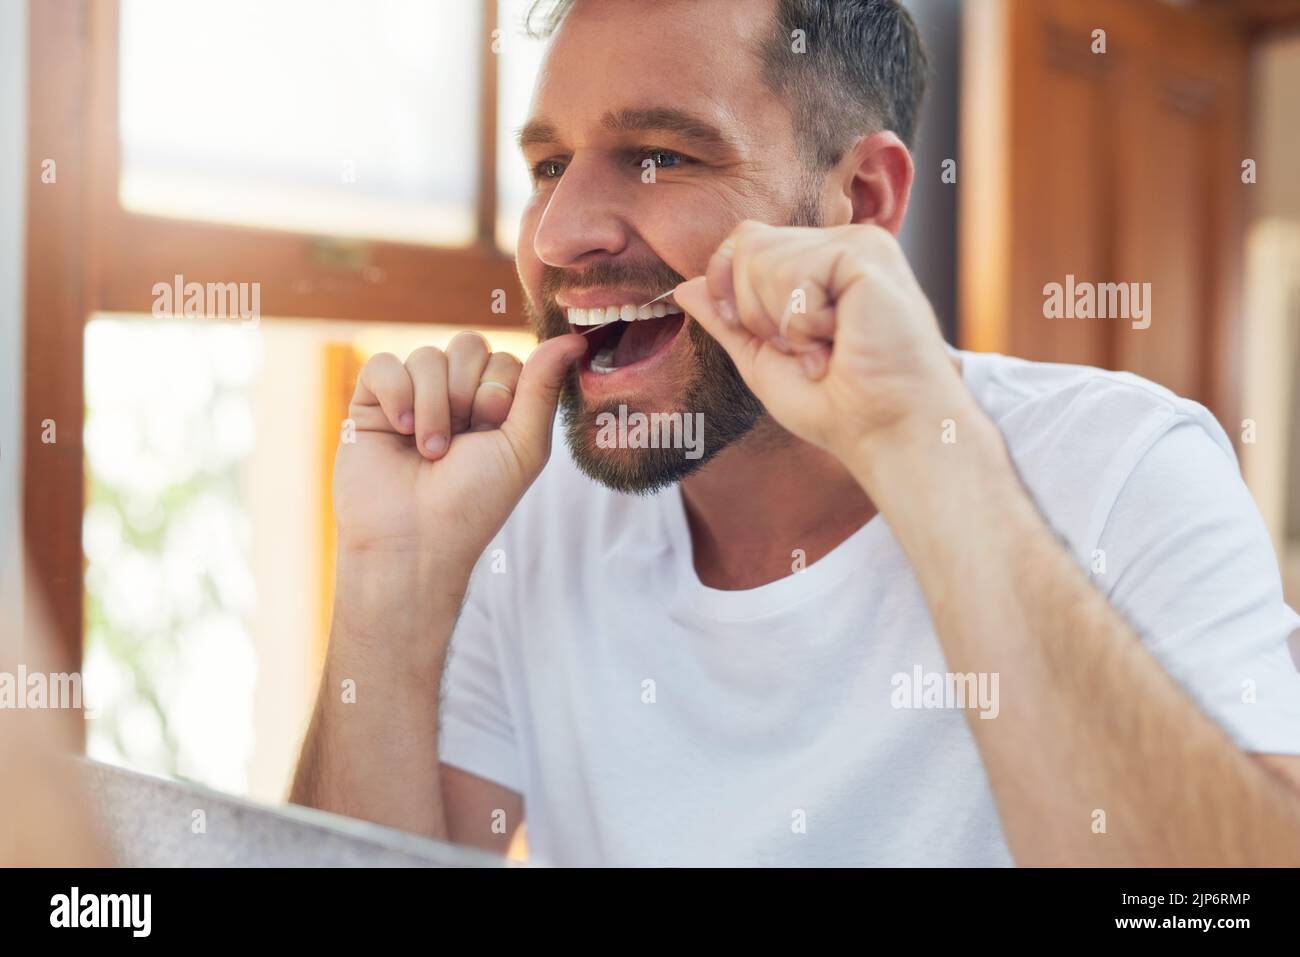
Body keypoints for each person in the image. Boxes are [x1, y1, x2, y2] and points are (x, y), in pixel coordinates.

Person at [292, 0, 1300, 865]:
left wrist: (917, 448)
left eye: (660, 156)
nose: (560, 234)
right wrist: (394, 588)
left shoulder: (1124, 470)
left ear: (856, 203)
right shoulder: (523, 512)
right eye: (550, 164)